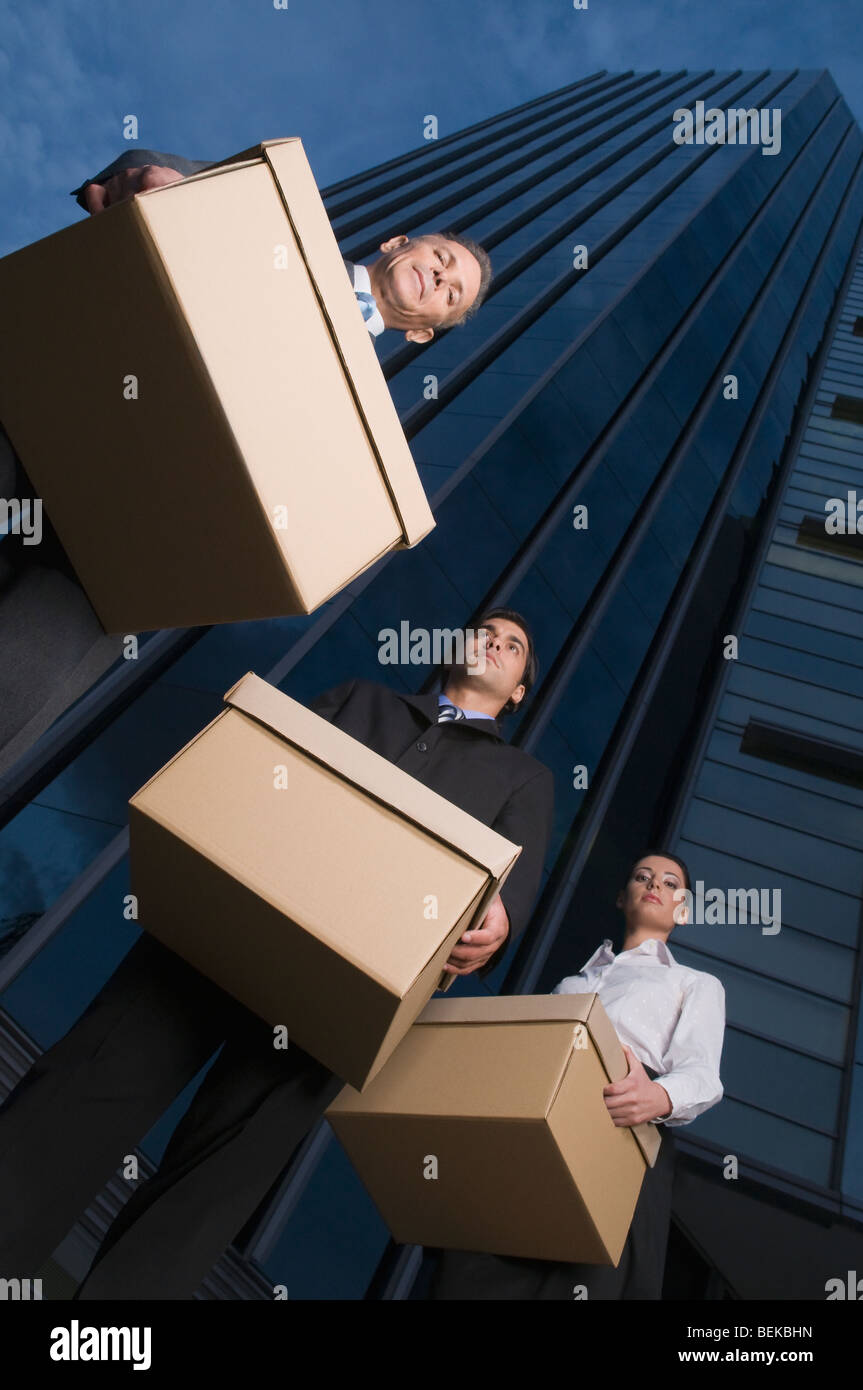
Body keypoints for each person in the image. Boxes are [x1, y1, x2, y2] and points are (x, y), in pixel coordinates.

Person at [0, 609, 555, 1299]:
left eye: (513, 648)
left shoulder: (522, 779)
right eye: (486, 633)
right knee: (92, 1081)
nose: (494, 646)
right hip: (224, 925)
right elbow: (262, 757)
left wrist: (498, 922)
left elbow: (512, 883)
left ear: (520, 691)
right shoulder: (361, 699)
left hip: (343, 995)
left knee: (214, 1180)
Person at [428, 850, 726, 1300]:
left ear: (682, 911)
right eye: (642, 876)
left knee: (585, 1279)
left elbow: (703, 1073)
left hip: (622, 1127)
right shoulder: (571, 985)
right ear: (621, 897)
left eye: (669, 884)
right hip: (537, 1131)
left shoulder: (695, 983)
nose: (654, 886)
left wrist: (659, 1097)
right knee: (482, 1264)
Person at [71, 151, 493, 343]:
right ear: (396, 243)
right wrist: (165, 186)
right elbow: (178, 171)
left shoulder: (358, 434)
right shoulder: (286, 228)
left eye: (451, 293)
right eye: (442, 258)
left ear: (421, 334)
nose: (440, 277)